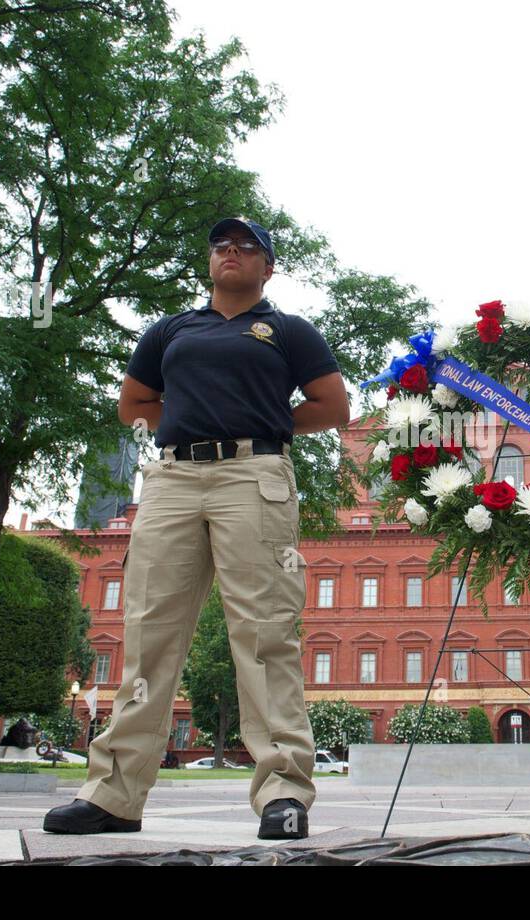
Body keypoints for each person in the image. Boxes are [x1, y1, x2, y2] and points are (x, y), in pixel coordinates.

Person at [44, 216, 350, 840]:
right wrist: (185, 418)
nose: (231, 253)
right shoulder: (171, 330)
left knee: (265, 632)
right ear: (209, 262)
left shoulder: (289, 331)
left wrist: (264, 419)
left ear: (268, 267)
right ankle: (114, 795)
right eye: (221, 246)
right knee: (149, 632)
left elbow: (333, 406)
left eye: (246, 247)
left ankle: (283, 791)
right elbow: (134, 404)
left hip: (254, 474)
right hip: (173, 479)